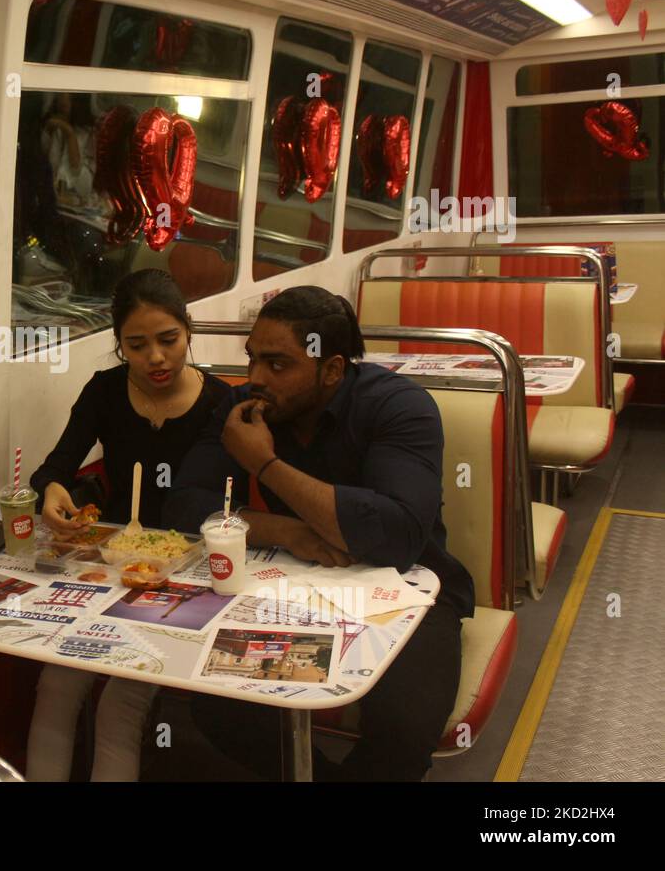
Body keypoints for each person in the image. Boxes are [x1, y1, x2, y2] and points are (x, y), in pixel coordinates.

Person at [163, 285, 475, 781]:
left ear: (331, 369)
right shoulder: (245, 408)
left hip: (413, 590)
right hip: (293, 585)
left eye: (277, 365)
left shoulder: (399, 407)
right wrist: (287, 531)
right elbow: (181, 505)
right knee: (219, 708)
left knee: (400, 728)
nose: (255, 379)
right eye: (252, 360)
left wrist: (264, 464)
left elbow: (396, 535)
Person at [26, 269, 225, 781]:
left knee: (119, 702)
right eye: (137, 346)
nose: (155, 358)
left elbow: (223, 507)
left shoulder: (221, 403)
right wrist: (50, 491)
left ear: (188, 331)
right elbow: (55, 467)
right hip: (118, 563)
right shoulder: (104, 392)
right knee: (56, 685)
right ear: (119, 346)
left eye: (168, 341)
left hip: (191, 574)